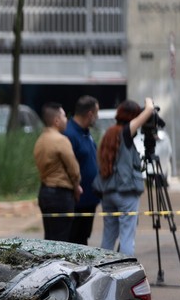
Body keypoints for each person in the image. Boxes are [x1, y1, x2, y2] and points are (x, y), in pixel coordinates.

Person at [94, 97, 156, 256]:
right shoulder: (125, 132)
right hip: (125, 194)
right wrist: (149, 101)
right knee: (127, 237)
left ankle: (102, 266)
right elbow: (149, 109)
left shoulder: (109, 133)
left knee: (108, 236)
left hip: (107, 193)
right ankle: (126, 269)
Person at [33, 102, 81, 242]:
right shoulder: (61, 140)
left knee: (50, 239)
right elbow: (74, 169)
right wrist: (77, 186)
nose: (67, 120)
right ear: (56, 120)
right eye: (64, 116)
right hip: (61, 195)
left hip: (44, 192)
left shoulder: (40, 140)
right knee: (61, 240)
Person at [65, 95, 100, 245]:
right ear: (90, 114)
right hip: (77, 201)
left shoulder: (86, 132)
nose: (97, 117)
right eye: (96, 113)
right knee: (74, 241)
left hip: (89, 200)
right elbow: (67, 166)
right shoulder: (69, 134)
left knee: (83, 239)